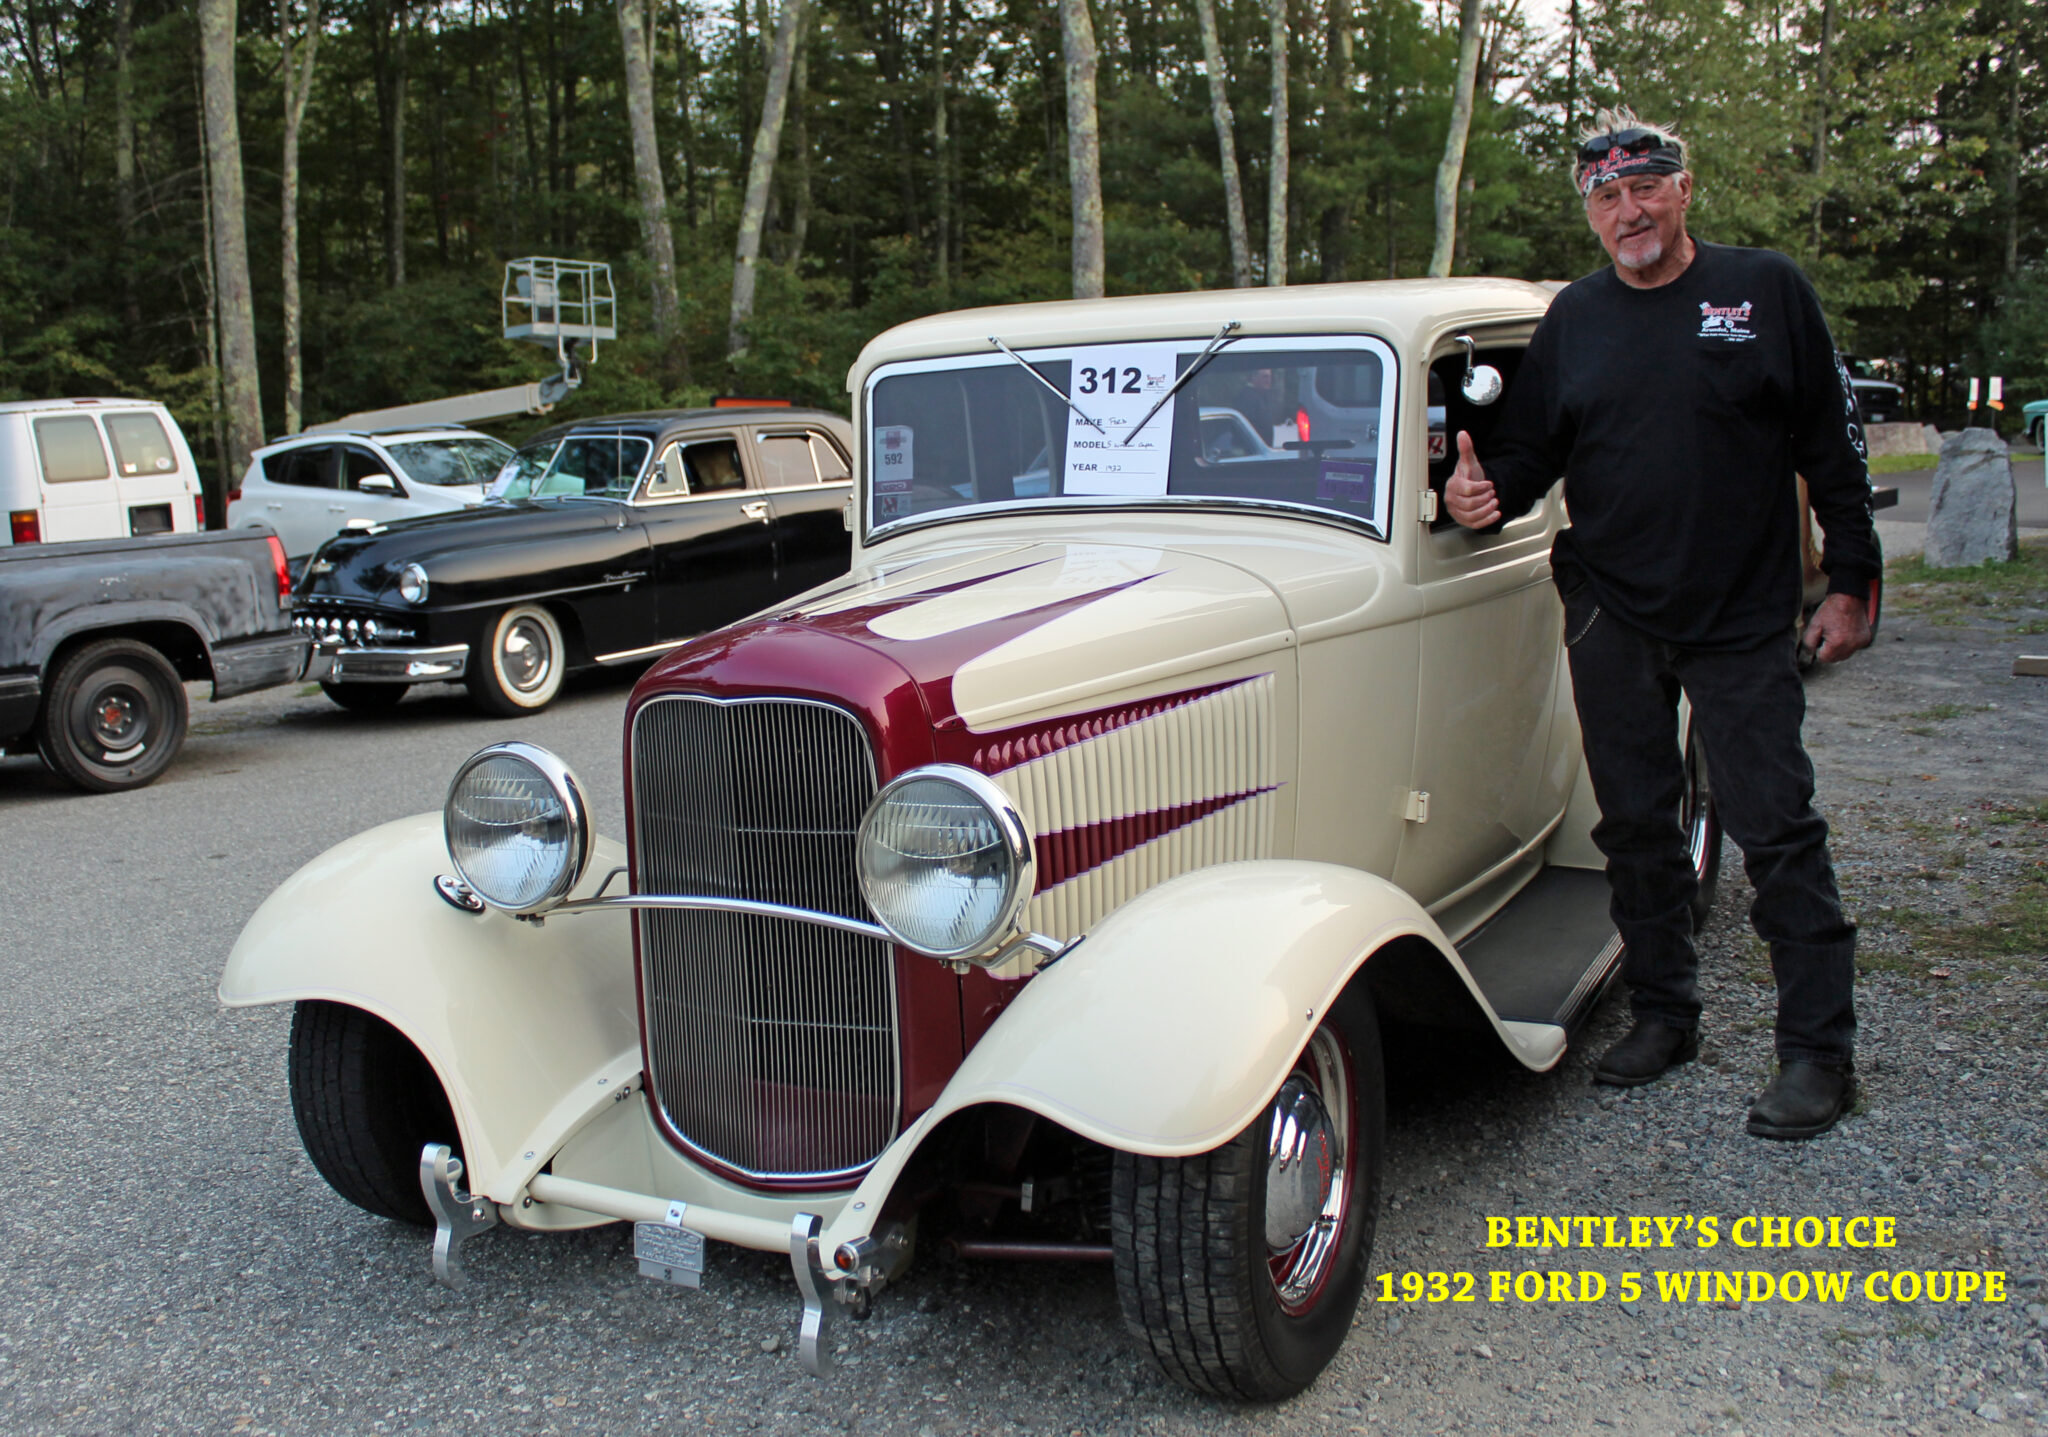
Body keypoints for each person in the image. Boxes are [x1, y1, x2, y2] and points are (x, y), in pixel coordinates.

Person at [1444, 107, 1879, 1141]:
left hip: (1739, 612)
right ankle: (1664, 1013)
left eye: (1644, 187)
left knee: (1775, 828)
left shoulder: (1762, 290)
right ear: (1590, 213)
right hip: (1612, 607)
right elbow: (1527, 453)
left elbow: (1831, 443)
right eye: (1606, 196)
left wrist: (1853, 581)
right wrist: (1479, 496)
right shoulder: (1574, 318)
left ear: (1682, 189)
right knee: (1635, 825)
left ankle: (1818, 1052)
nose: (1627, 210)